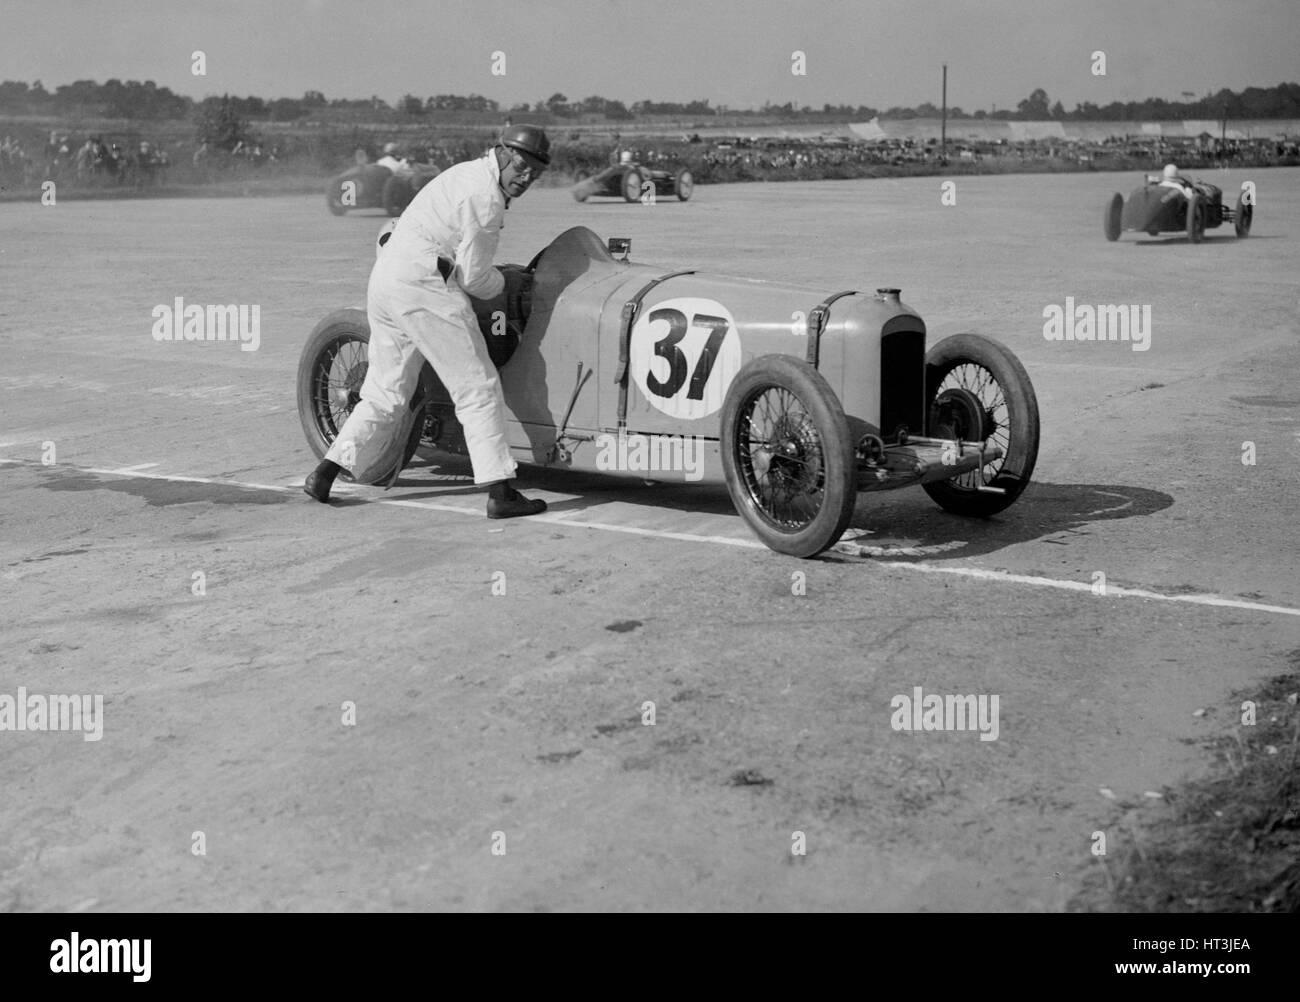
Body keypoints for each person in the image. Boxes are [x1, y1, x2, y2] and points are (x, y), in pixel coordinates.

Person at [304, 125, 552, 519]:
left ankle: (324, 473)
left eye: (534, 175)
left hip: (388, 277)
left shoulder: (463, 173)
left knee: (384, 394)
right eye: (521, 167)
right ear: (502, 154)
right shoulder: (486, 197)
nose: (525, 178)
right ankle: (500, 492)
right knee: (478, 387)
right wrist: (511, 281)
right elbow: (474, 279)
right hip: (424, 283)